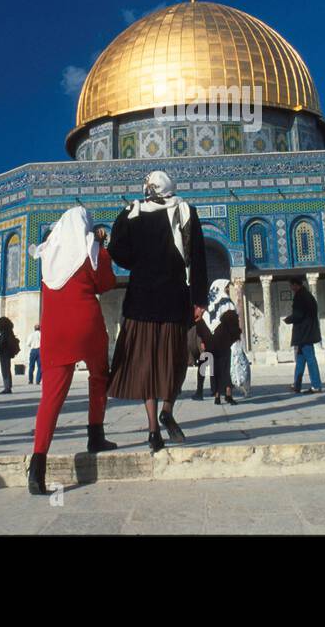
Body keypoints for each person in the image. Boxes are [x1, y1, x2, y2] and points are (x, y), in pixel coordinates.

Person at [106, 171, 207, 451]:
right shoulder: (186, 210)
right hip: (174, 299)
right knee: (175, 361)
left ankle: (153, 430)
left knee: (145, 365)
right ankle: (168, 410)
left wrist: (138, 263)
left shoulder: (133, 212)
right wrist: (199, 299)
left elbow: (116, 250)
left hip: (141, 301)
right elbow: (197, 256)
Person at [26, 206, 119, 495]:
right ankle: (95, 435)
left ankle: (37, 467)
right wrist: (102, 247)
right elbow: (107, 284)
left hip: (54, 330)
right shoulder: (92, 252)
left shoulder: (47, 255)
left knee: (51, 398)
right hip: (86, 325)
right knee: (98, 377)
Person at [198, 284, 241, 405]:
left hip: (212, 344)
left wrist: (203, 340)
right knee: (225, 368)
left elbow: (201, 326)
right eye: (226, 287)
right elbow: (233, 323)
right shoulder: (227, 304)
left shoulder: (208, 305)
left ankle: (218, 395)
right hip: (224, 342)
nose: (227, 290)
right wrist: (236, 337)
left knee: (217, 369)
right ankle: (227, 395)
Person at [284, 276, 323, 393]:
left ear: (296, 285)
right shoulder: (307, 295)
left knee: (310, 358)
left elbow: (299, 314)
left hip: (304, 333)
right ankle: (297, 384)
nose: (291, 288)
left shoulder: (301, 296)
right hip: (306, 332)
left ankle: (316, 385)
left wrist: (288, 319)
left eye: (291, 285)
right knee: (300, 359)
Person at [0, 317, 18, 394]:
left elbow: (1, 343)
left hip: (4, 352)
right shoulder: (9, 330)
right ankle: (8, 386)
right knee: (7, 369)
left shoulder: (5, 332)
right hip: (8, 352)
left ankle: (7, 388)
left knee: (5, 370)